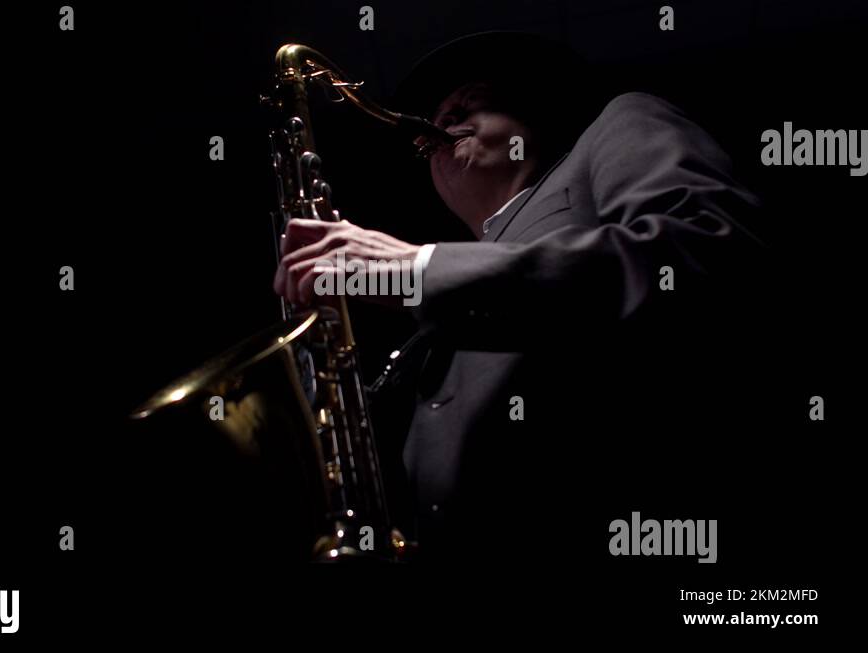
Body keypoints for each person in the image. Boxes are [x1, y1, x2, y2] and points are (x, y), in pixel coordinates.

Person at [273, 32, 766, 560]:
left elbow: (704, 249)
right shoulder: (447, 312)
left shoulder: (620, 122)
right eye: (434, 123)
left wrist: (416, 268)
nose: (443, 123)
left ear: (537, 116)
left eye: (469, 103)